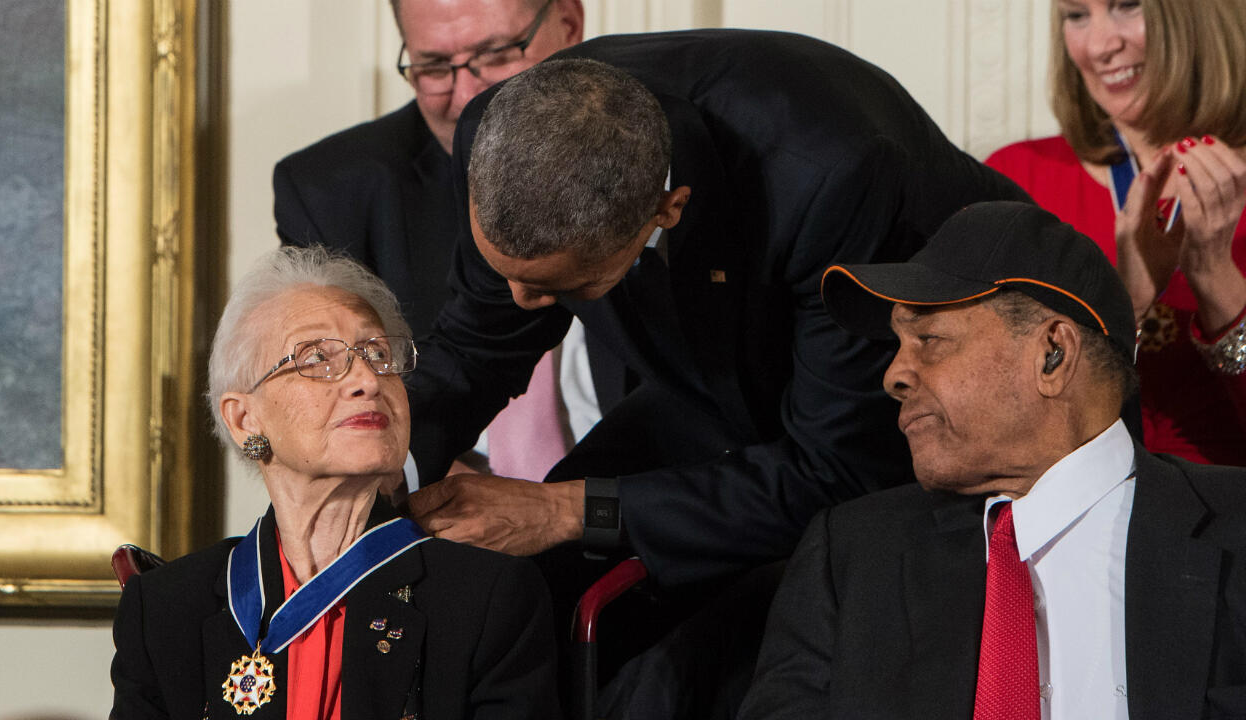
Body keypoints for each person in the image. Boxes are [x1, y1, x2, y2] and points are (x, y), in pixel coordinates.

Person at [401, 30, 1029, 714]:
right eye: (507, 274)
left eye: (561, 289)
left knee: (685, 681)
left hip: (922, 421)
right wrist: (377, 470)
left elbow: (832, 470)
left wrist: (566, 508)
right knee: (513, 592)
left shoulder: (830, 171)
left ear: (665, 212)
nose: (519, 303)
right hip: (705, 386)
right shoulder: (498, 132)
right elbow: (474, 345)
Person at [738, 201, 1246, 720]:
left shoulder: (1236, 526)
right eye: (898, 345)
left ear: (1053, 353)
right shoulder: (849, 558)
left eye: (929, 339)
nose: (894, 376)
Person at [110, 246, 559, 719]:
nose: (366, 378)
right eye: (316, 358)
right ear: (244, 420)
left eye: (379, 354)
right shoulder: (164, 610)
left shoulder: (486, 599)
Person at [274, 0, 612, 484]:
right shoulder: (332, 191)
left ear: (570, 25)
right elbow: (330, 412)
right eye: (434, 68)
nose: (467, 98)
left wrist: (572, 512)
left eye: (496, 55)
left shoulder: (666, 148)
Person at [986, 0, 1246, 465]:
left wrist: (1214, 276)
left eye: (1127, 6)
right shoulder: (1018, 179)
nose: (1101, 45)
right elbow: (990, 415)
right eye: (1076, 15)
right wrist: (1126, 304)